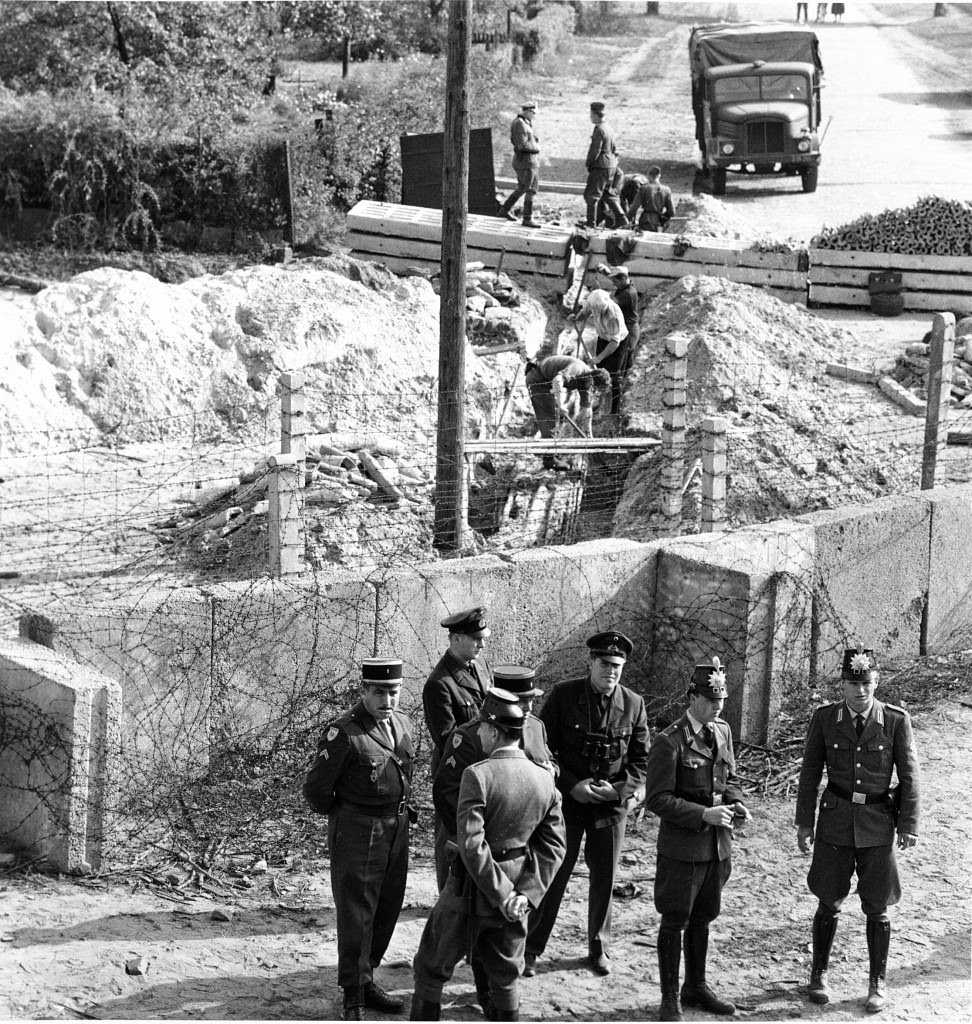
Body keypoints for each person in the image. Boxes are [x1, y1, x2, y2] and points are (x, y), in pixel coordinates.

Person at [411, 690, 567, 1022]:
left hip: (467, 889)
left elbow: (471, 843)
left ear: (495, 732)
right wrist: (524, 894)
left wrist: (501, 894)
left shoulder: (478, 775)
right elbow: (554, 847)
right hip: (516, 893)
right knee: (507, 976)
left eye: (482, 727)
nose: (478, 732)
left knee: (430, 967)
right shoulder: (545, 781)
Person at [795, 646, 920, 1014]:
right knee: (828, 900)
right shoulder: (825, 719)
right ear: (843, 684)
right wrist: (805, 822)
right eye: (853, 683)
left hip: (878, 824)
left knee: (878, 906)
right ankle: (818, 974)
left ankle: (877, 982)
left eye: (866, 683)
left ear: (876, 682)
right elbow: (809, 774)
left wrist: (909, 823)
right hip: (834, 822)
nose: (860, 691)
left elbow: (910, 777)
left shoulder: (896, 721)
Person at [524, 630, 650, 977]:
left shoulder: (633, 703)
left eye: (618, 666)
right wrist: (570, 784)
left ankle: (599, 948)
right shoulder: (565, 696)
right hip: (568, 803)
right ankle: (531, 947)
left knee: (605, 878)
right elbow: (539, 748)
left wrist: (620, 791)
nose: (611, 672)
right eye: (605, 664)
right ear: (591, 662)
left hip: (610, 809)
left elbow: (641, 761)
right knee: (553, 873)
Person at [304, 657, 415, 1021]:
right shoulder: (345, 733)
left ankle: (367, 979)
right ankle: (353, 996)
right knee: (357, 912)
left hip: (396, 828)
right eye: (379, 692)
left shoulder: (402, 723)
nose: (388, 699)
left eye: (393, 692)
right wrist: (350, 816)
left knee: (387, 906)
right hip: (359, 830)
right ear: (364, 691)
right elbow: (317, 790)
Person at [643, 655, 751, 1022]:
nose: (717, 706)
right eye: (710, 699)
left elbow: (730, 779)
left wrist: (737, 803)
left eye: (721, 700)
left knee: (704, 917)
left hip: (717, 847)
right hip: (682, 850)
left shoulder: (722, 731)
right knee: (675, 919)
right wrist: (702, 814)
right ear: (692, 697)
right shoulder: (668, 741)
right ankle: (670, 996)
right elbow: (657, 799)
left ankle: (696, 986)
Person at [424, 607, 495, 889]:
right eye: (476, 639)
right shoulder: (439, 684)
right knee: (451, 836)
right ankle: (447, 897)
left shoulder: (481, 667)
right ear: (454, 639)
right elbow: (448, 740)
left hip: (485, 770)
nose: (482, 644)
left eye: (483, 638)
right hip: (456, 773)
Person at [524, 355, 612, 468]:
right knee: (549, 418)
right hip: (537, 379)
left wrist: (589, 434)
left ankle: (549, 450)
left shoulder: (586, 383)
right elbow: (557, 379)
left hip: (547, 382)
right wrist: (561, 404)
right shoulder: (577, 369)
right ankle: (549, 461)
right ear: (591, 379)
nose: (592, 390)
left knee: (554, 419)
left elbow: (587, 409)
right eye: (593, 387)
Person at [568, 289, 628, 416]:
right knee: (600, 373)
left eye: (599, 311)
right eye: (595, 310)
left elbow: (614, 343)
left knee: (614, 376)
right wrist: (576, 318)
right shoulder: (594, 303)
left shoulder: (613, 316)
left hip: (616, 344)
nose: (596, 313)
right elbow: (585, 312)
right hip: (603, 338)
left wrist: (598, 358)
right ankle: (601, 403)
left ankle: (613, 411)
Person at [580, 102, 628, 229]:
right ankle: (622, 218)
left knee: (591, 195)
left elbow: (595, 151)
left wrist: (589, 163)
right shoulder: (609, 128)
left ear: (596, 115)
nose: (590, 117)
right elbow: (615, 149)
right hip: (611, 166)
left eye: (591, 115)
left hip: (601, 166)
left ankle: (591, 223)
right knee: (608, 193)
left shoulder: (599, 129)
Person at [498, 101, 542, 228]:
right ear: (527, 111)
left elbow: (525, 139)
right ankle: (527, 218)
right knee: (531, 189)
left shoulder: (524, 123)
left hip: (527, 161)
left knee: (522, 187)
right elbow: (521, 145)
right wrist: (537, 147)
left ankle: (504, 210)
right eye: (533, 113)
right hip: (526, 162)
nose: (534, 115)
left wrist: (533, 139)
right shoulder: (519, 124)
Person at [595, 265, 640, 377]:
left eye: (615, 281)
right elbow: (617, 279)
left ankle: (623, 385)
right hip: (625, 327)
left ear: (623, 278)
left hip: (629, 330)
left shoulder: (628, 294)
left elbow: (608, 303)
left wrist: (598, 292)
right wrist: (606, 273)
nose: (613, 284)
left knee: (624, 360)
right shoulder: (626, 285)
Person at [627, 166, 675, 233]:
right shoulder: (667, 190)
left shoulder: (644, 188)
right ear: (659, 176)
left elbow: (634, 207)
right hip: (657, 223)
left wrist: (626, 221)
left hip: (645, 221)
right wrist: (662, 219)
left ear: (649, 176)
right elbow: (672, 211)